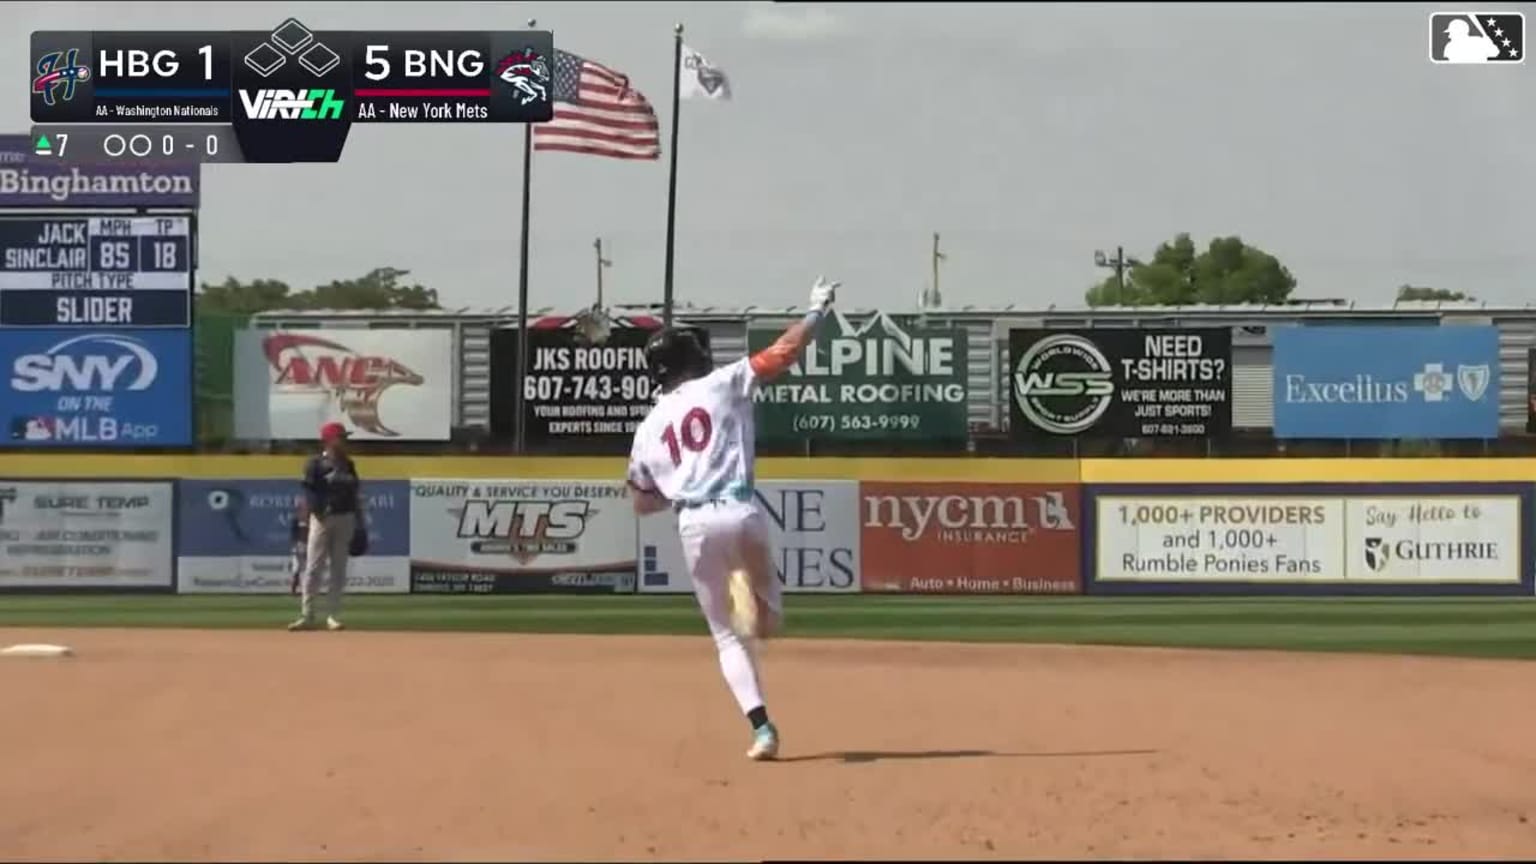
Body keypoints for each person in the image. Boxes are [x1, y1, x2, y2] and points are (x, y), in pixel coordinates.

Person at [626, 275, 838, 761]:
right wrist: (816, 311)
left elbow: (640, 500)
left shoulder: (647, 428)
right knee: (766, 625)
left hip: (693, 524)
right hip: (740, 510)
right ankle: (752, 602)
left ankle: (762, 730)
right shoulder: (721, 383)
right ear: (691, 360)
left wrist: (677, 493)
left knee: (725, 637)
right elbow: (783, 352)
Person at [289, 422, 361, 631]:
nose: (345, 441)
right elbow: (309, 492)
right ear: (329, 439)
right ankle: (307, 614)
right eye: (341, 437)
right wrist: (319, 511)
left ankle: (333, 615)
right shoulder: (315, 463)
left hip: (345, 518)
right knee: (313, 567)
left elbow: (355, 492)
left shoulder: (348, 464)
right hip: (321, 519)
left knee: (339, 568)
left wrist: (359, 521)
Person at [288, 498, 309, 595]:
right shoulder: (296, 519)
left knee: (306, 568)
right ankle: (293, 589)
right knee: (296, 568)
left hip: (308, 545)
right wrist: (295, 547)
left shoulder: (310, 518)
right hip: (298, 545)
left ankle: (306, 589)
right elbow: (294, 535)